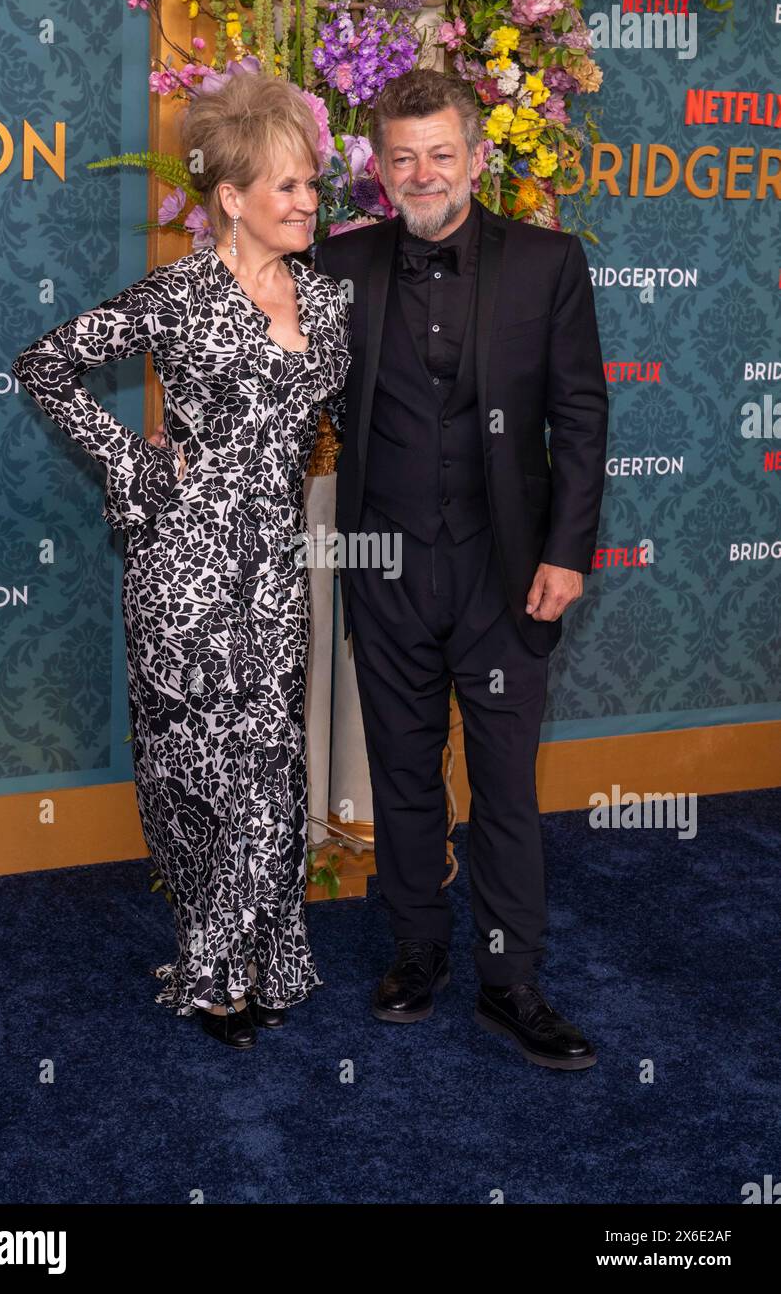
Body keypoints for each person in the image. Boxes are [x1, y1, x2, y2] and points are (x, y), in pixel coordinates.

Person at [12, 72, 350, 1050]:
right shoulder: (179, 295)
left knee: (271, 762)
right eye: (286, 186)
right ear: (230, 198)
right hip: (182, 567)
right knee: (199, 770)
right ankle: (211, 971)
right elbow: (45, 364)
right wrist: (136, 461)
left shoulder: (328, 302)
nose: (306, 201)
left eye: (311, 184)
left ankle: (272, 957)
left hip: (275, 566)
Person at [314, 68, 609, 1071]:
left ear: (477, 157)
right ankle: (415, 951)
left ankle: (509, 979)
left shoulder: (547, 262)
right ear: (378, 167)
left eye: (440, 153)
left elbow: (580, 417)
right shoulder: (339, 266)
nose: (422, 173)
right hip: (384, 566)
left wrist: (566, 552)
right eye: (402, 157)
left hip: (507, 573)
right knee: (401, 772)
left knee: (505, 786)